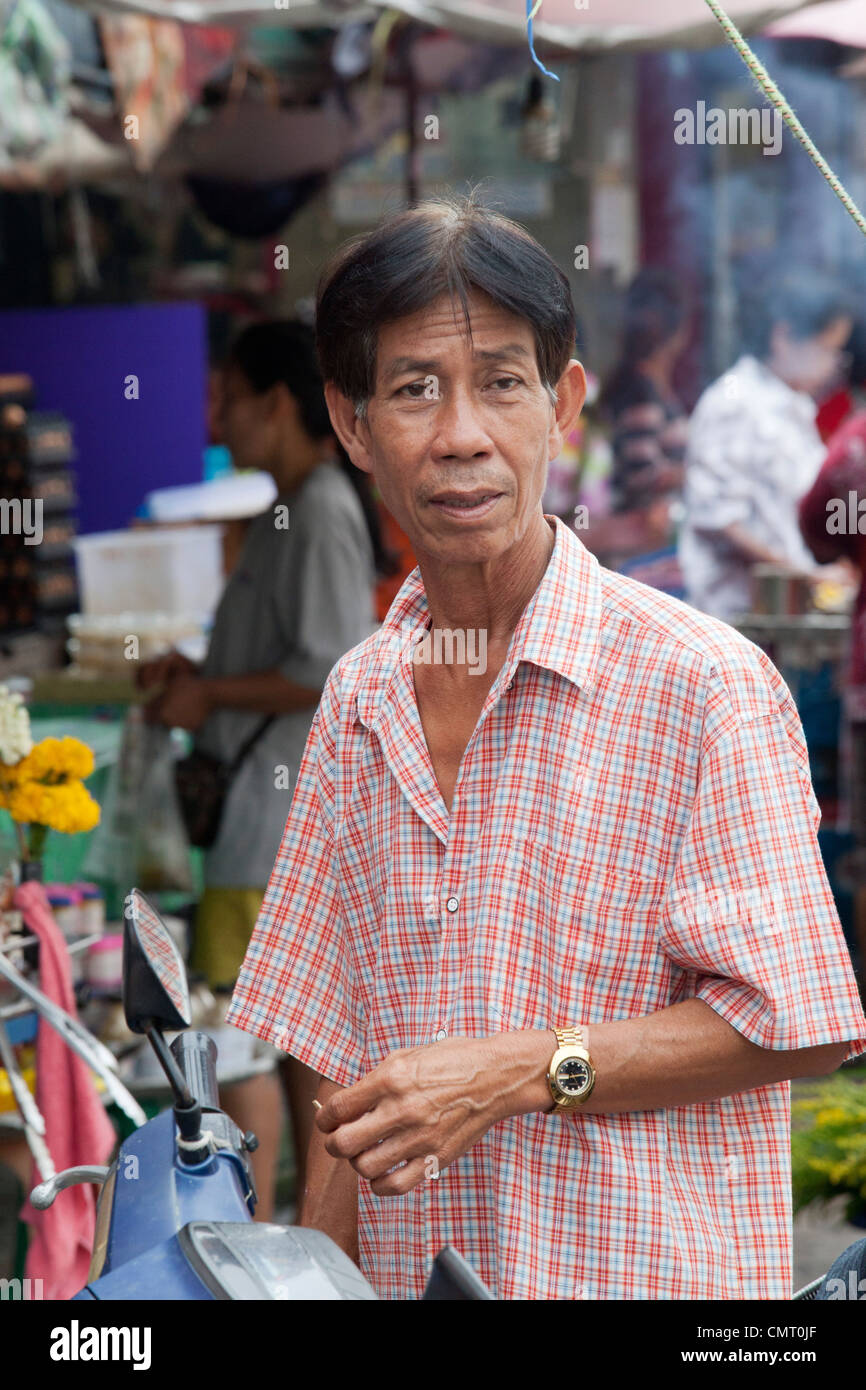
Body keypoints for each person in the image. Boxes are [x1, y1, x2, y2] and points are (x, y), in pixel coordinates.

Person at [226, 195, 866, 1300]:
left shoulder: (699, 684)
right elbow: (339, 1082)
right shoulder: (357, 702)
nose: (460, 432)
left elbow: (798, 1026)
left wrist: (525, 1069)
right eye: (414, 387)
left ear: (563, 403)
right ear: (351, 423)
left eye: (502, 382)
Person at [138, 320, 382, 1218]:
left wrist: (211, 698)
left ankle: (280, 1235)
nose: (218, 417)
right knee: (271, 1036)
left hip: (268, 825)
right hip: (258, 815)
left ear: (277, 405)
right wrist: (203, 682)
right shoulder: (295, 504)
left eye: (229, 396)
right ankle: (299, 1232)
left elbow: (325, 663)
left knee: (246, 1037)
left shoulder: (316, 508)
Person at [679, 273, 852, 621]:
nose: (833, 364)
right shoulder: (735, 402)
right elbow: (720, 520)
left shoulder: (792, 406)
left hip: (787, 614)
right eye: (828, 349)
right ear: (784, 337)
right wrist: (807, 574)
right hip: (737, 617)